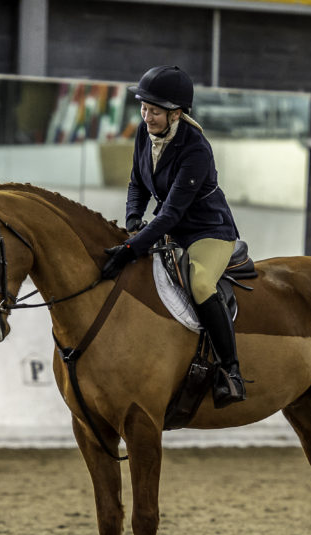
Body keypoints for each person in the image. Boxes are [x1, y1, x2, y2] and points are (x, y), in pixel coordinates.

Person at [101, 65, 246, 408]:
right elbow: (137, 183)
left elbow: (170, 214)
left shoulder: (196, 149)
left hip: (208, 231)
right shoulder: (144, 132)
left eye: (154, 111)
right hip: (172, 230)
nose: (146, 116)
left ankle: (231, 371)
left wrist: (131, 248)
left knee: (200, 283)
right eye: (144, 108)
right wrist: (133, 219)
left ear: (176, 113)